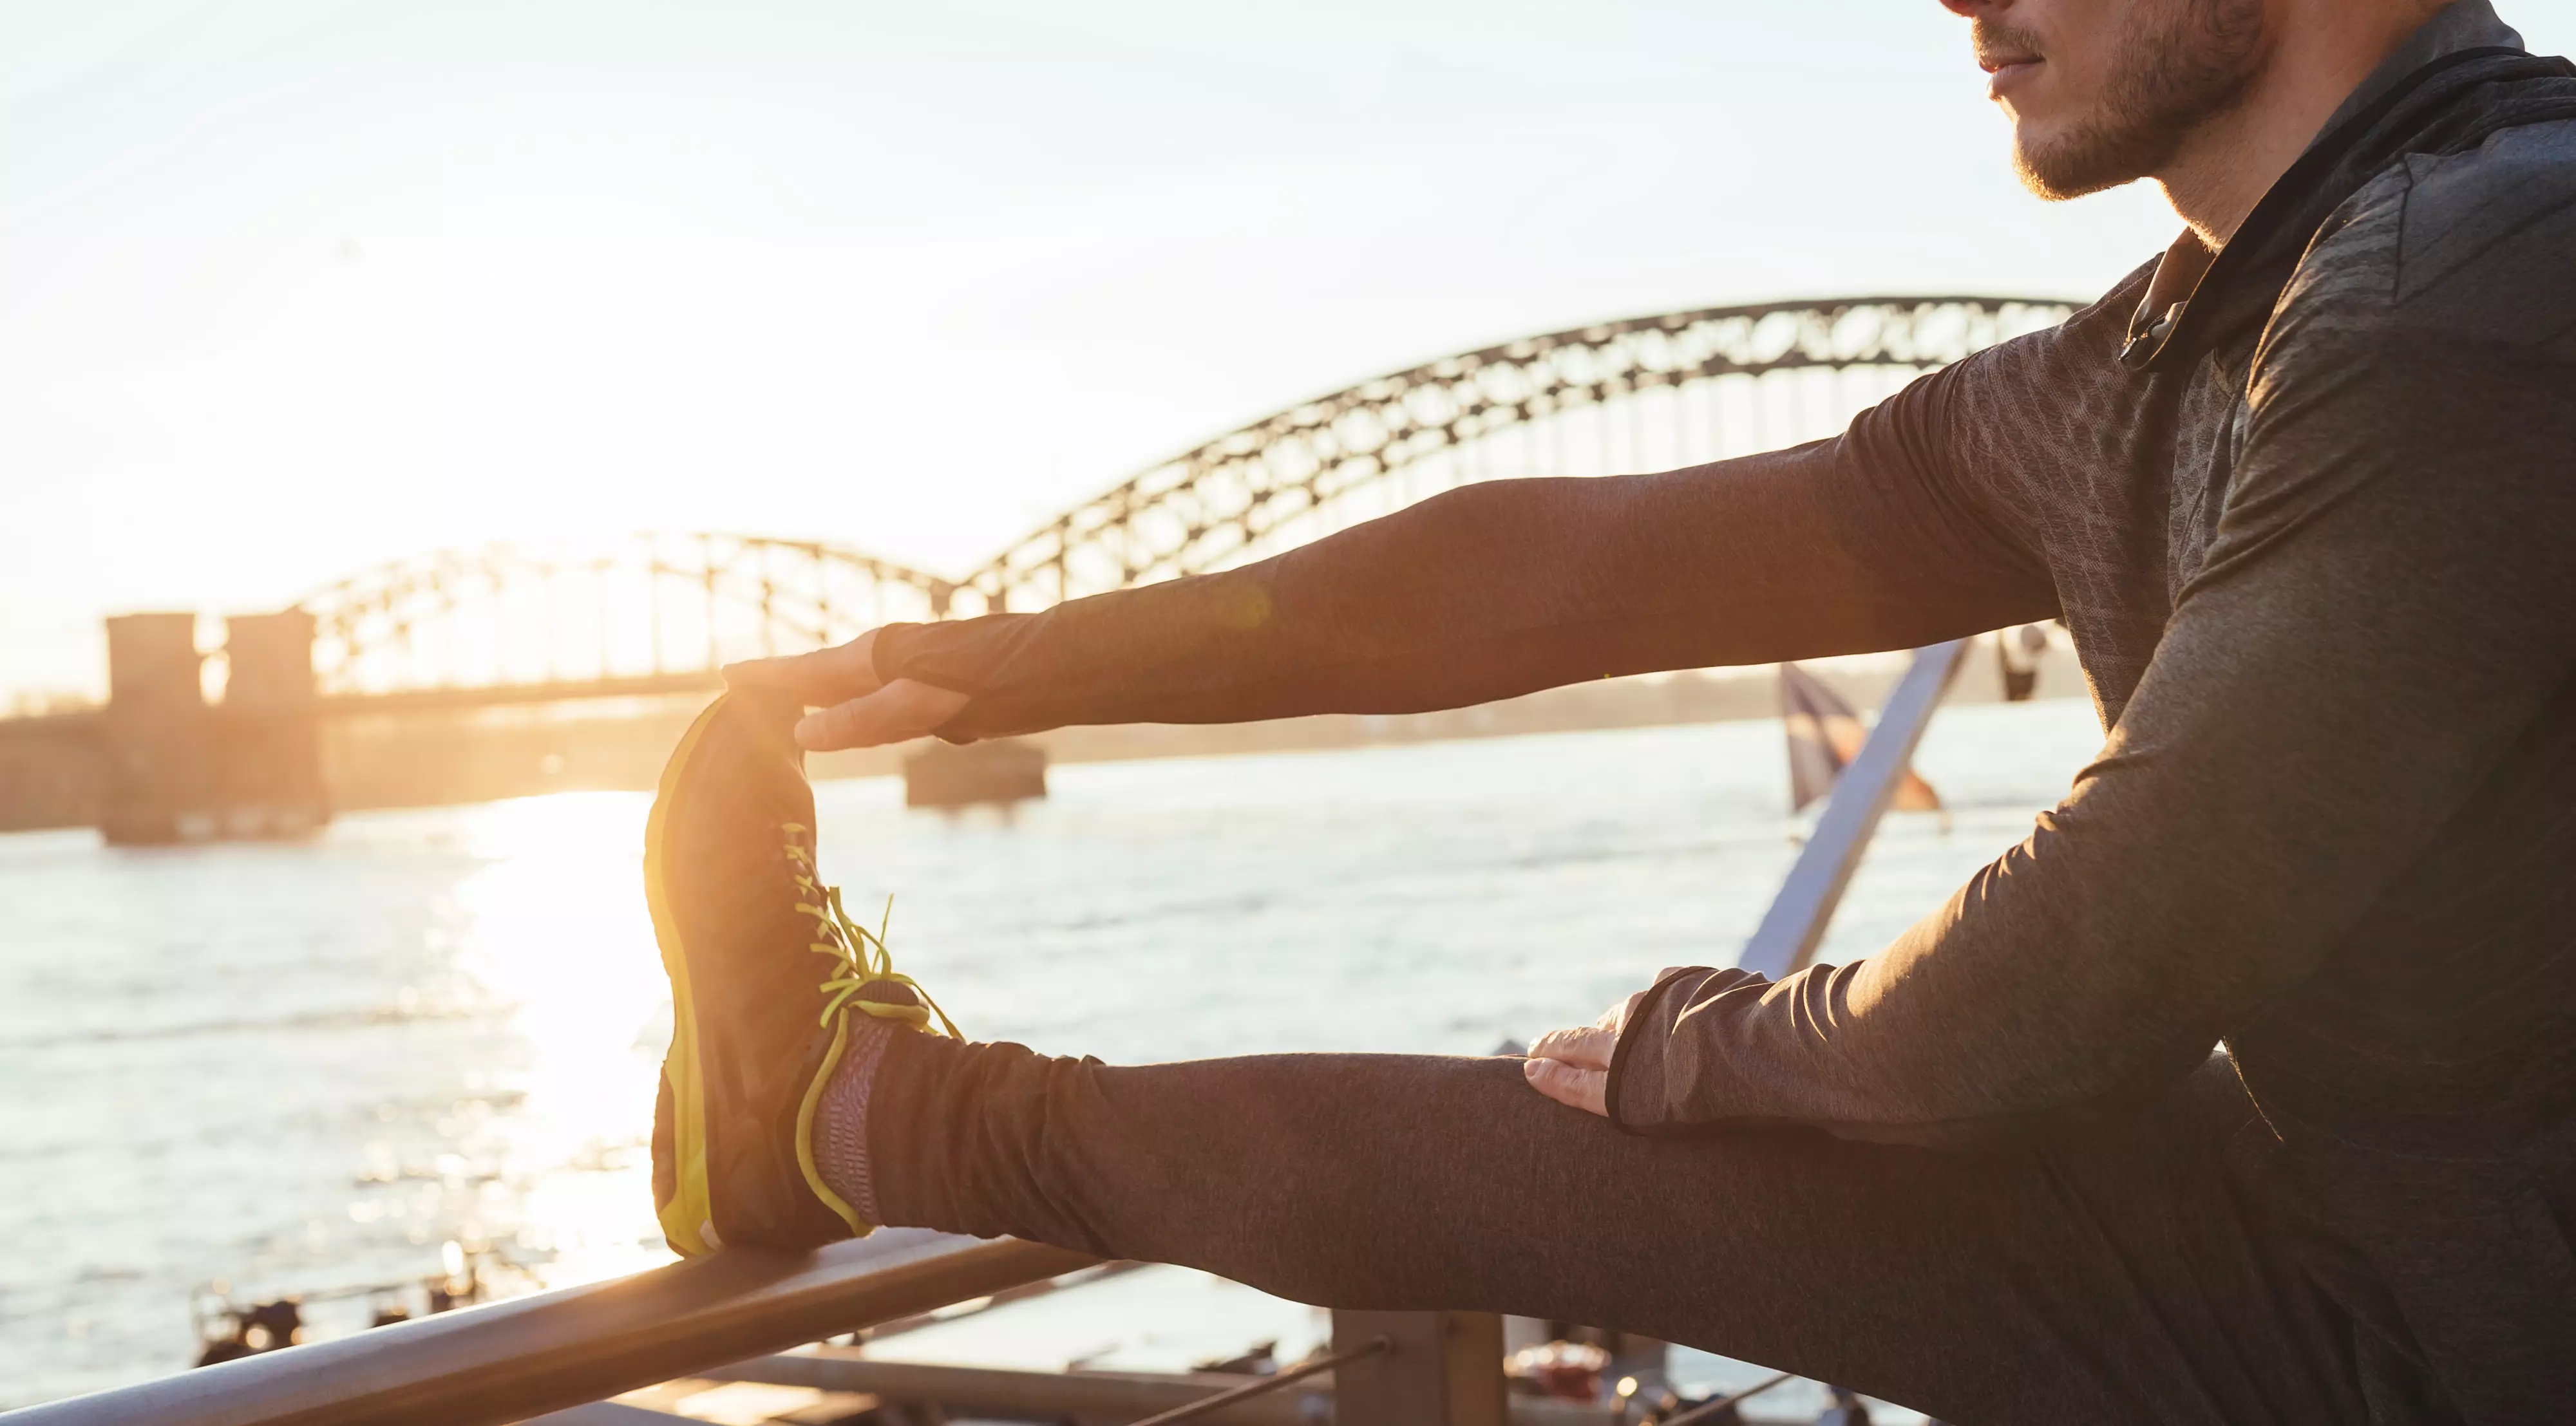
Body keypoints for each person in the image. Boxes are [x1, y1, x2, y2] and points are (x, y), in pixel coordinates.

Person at [656, 3, 2576, 1421]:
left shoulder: (2478, 284)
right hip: (2380, 1262)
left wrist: (1716, 1047)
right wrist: (1017, 658)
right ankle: (831, 1114)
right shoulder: (2172, 348)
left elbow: (2076, 980)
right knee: (1640, 1126)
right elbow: (1580, 566)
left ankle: (853, 1112)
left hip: (2455, 1351)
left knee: (1633, 1132)